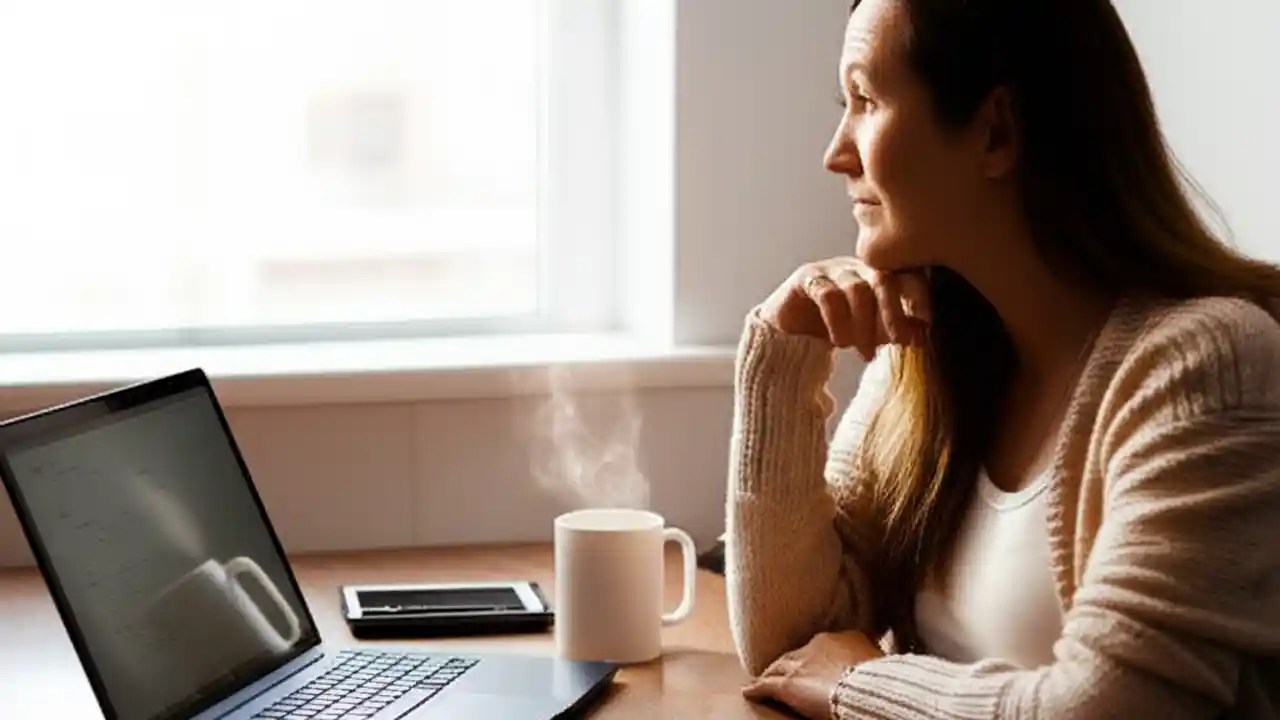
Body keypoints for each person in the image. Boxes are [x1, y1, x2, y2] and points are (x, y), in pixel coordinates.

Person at [726, 0, 1280, 718]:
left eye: (865, 100)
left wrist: (856, 685)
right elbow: (788, 643)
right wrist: (782, 350)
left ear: (996, 132)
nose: (837, 153)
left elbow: (1110, 710)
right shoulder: (924, 357)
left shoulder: (1210, 369)